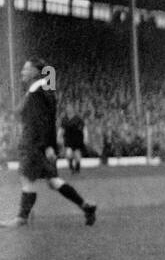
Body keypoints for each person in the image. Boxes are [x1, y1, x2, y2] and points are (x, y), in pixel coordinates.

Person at [1, 58, 97, 228]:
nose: (22, 72)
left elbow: (40, 121)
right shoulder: (41, 90)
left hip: (33, 143)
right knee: (53, 181)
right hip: (41, 143)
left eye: (25, 69)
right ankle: (86, 206)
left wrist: (46, 146)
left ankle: (22, 217)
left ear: (35, 72)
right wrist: (50, 145)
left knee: (26, 178)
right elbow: (44, 118)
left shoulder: (36, 91)